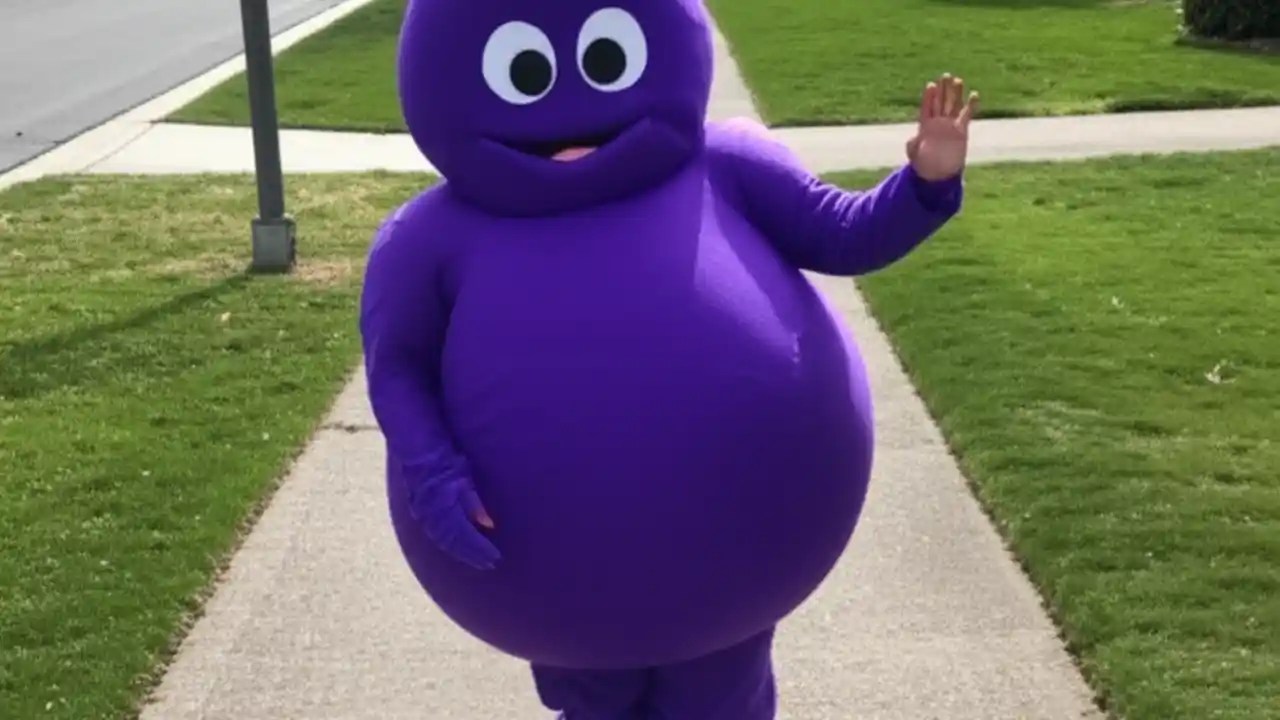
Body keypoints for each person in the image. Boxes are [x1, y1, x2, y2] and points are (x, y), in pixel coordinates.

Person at [360, 1, 977, 717]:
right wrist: (433, 474)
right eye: (525, 73)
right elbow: (398, 367)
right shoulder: (429, 239)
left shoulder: (729, 166)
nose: (568, 110)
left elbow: (846, 235)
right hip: (553, 572)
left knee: (719, 696)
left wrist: (925, 184)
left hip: (734, 546)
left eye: (606, 61)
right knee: (596, 697)